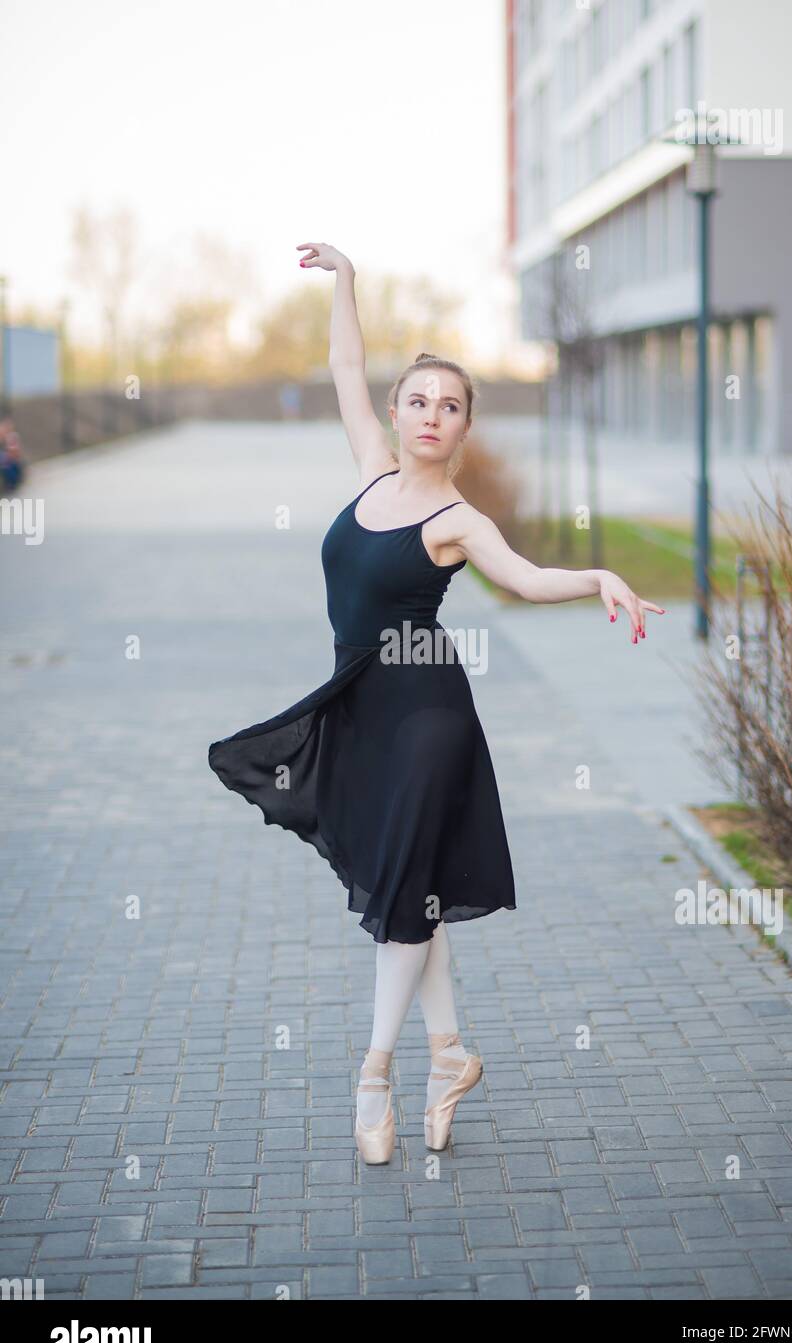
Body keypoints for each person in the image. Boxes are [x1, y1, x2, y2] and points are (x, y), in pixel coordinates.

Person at [208, 241, 665, 1164]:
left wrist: (600, 576)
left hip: (428, 718)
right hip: (362, 708)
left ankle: (373, 1076)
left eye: (449, 406)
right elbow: (343, 363)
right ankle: (450, 1055)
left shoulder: (456, 519)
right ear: (396, 412)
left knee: (399, 908)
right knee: (409, 894)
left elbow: (529, 579)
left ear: (462, 430)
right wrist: (347, 283)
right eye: (417, 399)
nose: (430, 414)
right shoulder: (372, 474)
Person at [0, 414, 26, 492]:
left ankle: (13, 482)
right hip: (6, 462)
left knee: (10, 466)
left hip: (10, 462)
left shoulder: (12, 437)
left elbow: (15, 452)